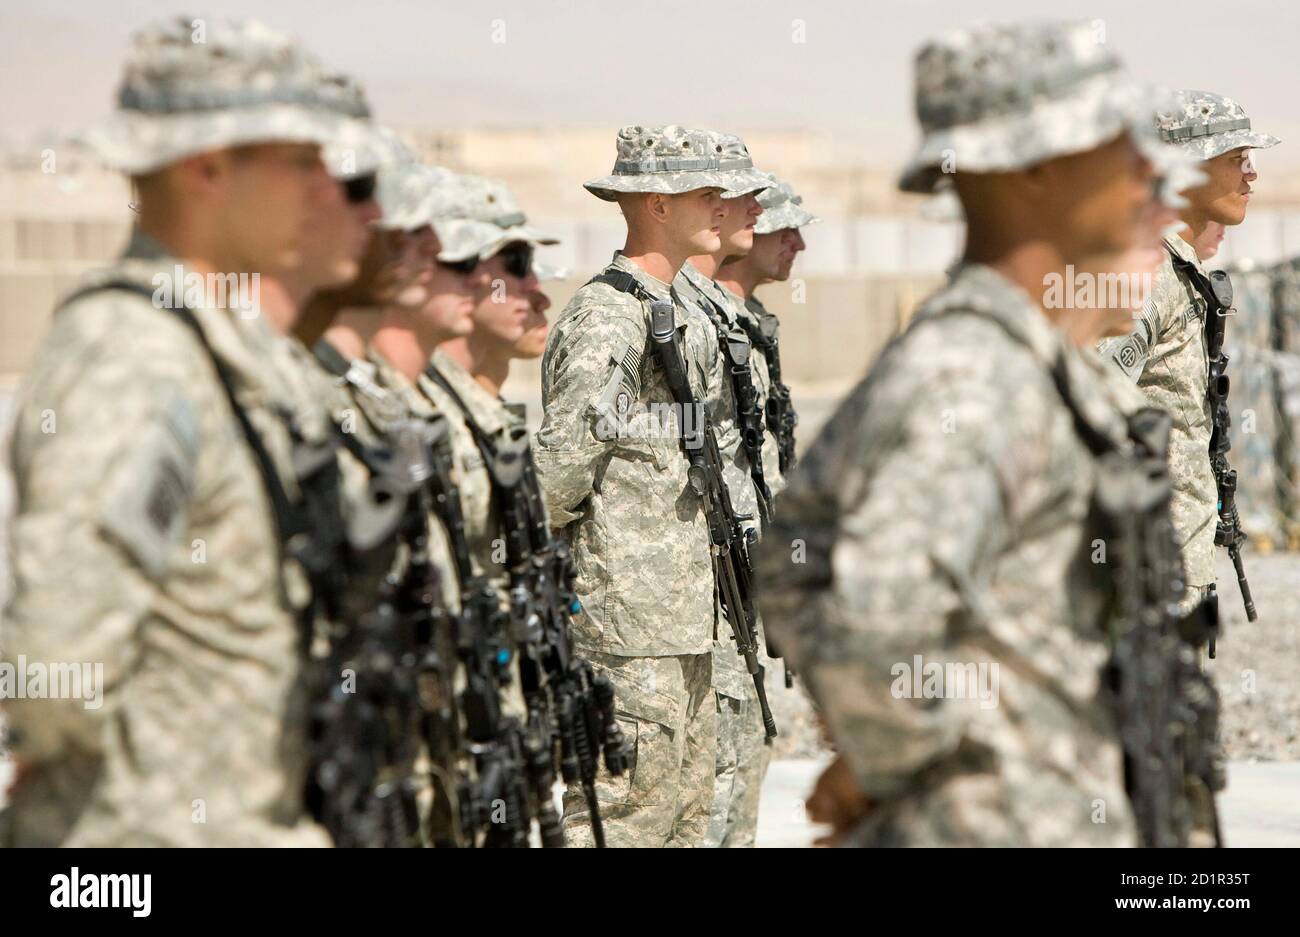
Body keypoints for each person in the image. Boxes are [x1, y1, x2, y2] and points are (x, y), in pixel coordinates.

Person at [755, 19, 1193, 847]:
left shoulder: (1009, 356)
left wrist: (876, 761)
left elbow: (793, 562)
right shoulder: (975, 373)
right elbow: (874, 624)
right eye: (1118, 138)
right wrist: (906, 770)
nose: (1148, 166)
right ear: (1035, 165)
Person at [0, 15, 381, 846]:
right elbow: (57, 662)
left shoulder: (225, 346)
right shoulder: (136, 354)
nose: (332, 190)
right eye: (304, 162)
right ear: (208, 166)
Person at [533, 124, 766, 847]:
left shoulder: (680, 311)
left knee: (685, 824)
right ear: (655, 204)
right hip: (630, 630)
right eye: (704, 193)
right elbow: (559, 466)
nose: (722, 206)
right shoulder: (610, 316)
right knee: (622, 823)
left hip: (687, 623)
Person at [1097, 90, 1279, 620]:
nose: (1251, 175)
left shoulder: (1178, 273)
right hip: (1145, 579)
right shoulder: (1146, 279)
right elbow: (1084, 412)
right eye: (1234, 160)